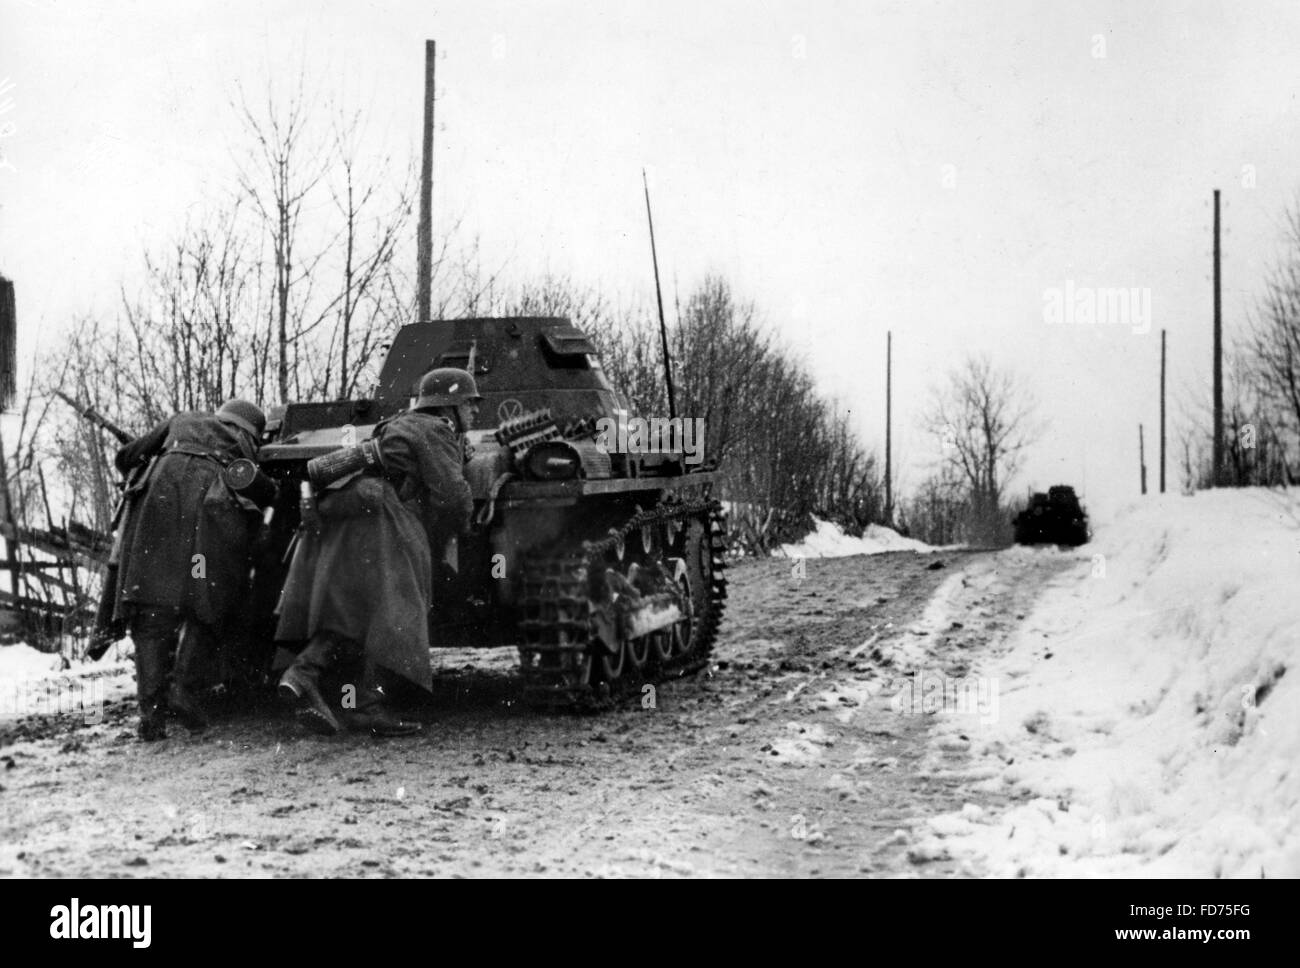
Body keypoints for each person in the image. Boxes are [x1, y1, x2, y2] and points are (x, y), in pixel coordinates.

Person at [274, 368, 478, 737]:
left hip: (353, 519)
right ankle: (367, 707)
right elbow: (453, 495)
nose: (475, 413)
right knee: (397, 612)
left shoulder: (398, 424)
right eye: (470, 404)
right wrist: (464, 526)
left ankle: (301, 674)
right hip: (391, 522)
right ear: (450, 407)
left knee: (354, 609)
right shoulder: (436, 430)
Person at [110, 399, 268, 740]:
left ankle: (150, 716)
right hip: (204, 529)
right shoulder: (243, 448)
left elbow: (126, 456)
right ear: (249, 432)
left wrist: (139, 471)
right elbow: (257, 488)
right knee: (206, 602)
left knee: (151, 613)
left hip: (157, 519)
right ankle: (182, 691)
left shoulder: (184, 420)